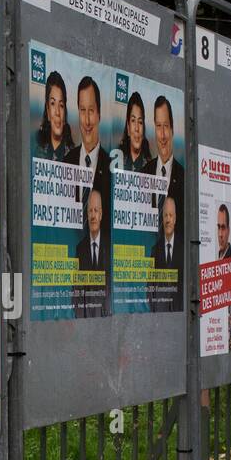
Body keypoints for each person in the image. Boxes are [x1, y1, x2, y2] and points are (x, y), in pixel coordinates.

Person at [63, 76, 112, 247]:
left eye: (91, 110)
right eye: (83, 110)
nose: (87, 120)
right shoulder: (66, 163)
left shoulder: (112, 167)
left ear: (99, 114)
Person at [148, 96, 184, 235]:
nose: (162, 135)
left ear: (172, 130)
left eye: (166, 126)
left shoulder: (183, 176)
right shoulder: (144, 172)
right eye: (158, 126)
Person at [74, 187, 111, 317]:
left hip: (107, 317)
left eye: (96, 210)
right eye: (90, 211)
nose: (93, 215)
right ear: (87, 215)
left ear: (101, 214)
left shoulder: (110, 246)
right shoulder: (80, 248)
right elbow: (77, 290)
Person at [149, 196, 183, 313]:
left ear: (175, 219)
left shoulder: (183, 250)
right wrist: (154, 310)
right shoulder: (154, 250)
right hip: (160, 314)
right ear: (162, 219)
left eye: (171, 215)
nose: (168, 220)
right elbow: (149, 286)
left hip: (179, 313)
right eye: (165, 215)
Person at [32, 70, 74, 161]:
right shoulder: (38, 153)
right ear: (47, 110)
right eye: (52, 103)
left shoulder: (74, 156)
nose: (57, 112)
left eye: (61, 105)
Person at [117, 92, 151, 172]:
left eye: (140, 122)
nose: (137, 128)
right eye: (133, 121)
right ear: (128, 128)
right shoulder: (117, 162)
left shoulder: (151, 167)